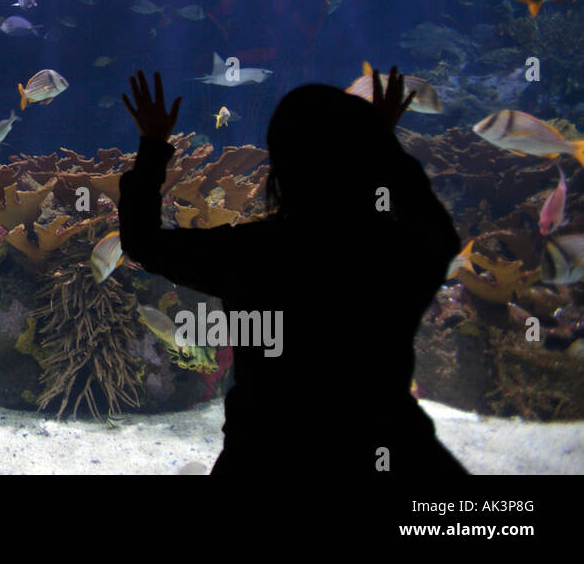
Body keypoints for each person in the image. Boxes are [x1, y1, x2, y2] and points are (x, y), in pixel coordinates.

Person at [118, 68, 467, 474]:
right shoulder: (392, 252)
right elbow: (439, 236)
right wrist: (383, 144)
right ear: (366, 162)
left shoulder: (251, 252)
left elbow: (143, 242)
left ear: (278, 171)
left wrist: (154, 145)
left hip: (267, 455)